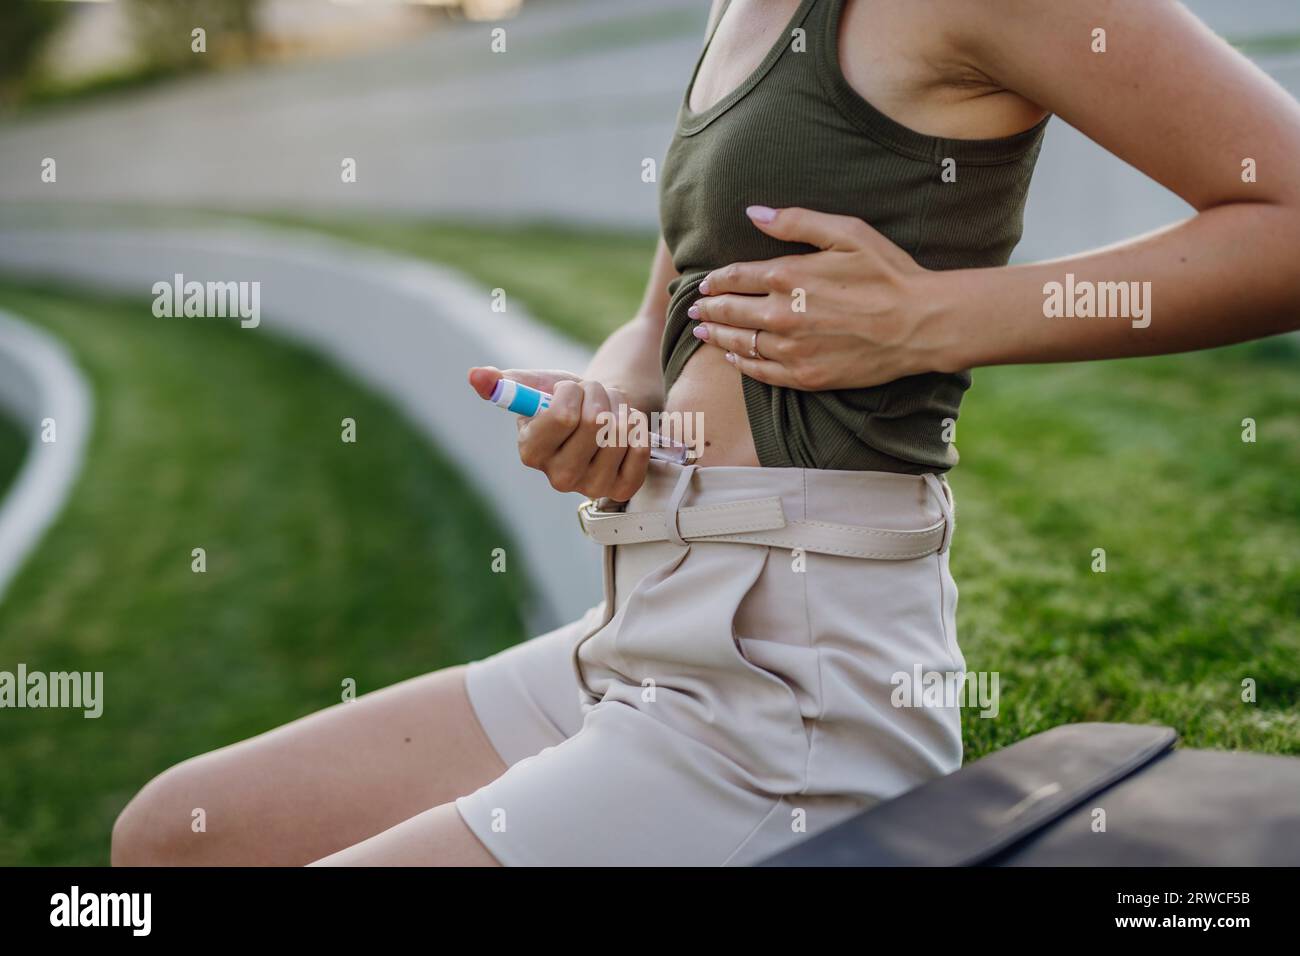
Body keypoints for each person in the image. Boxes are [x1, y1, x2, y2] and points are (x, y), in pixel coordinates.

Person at [113, 0, 1300, 866]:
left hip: (795, 683)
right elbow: (657, 313)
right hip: (642, 629)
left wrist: (933, 318)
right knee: (174, 833)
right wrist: (599, 401)